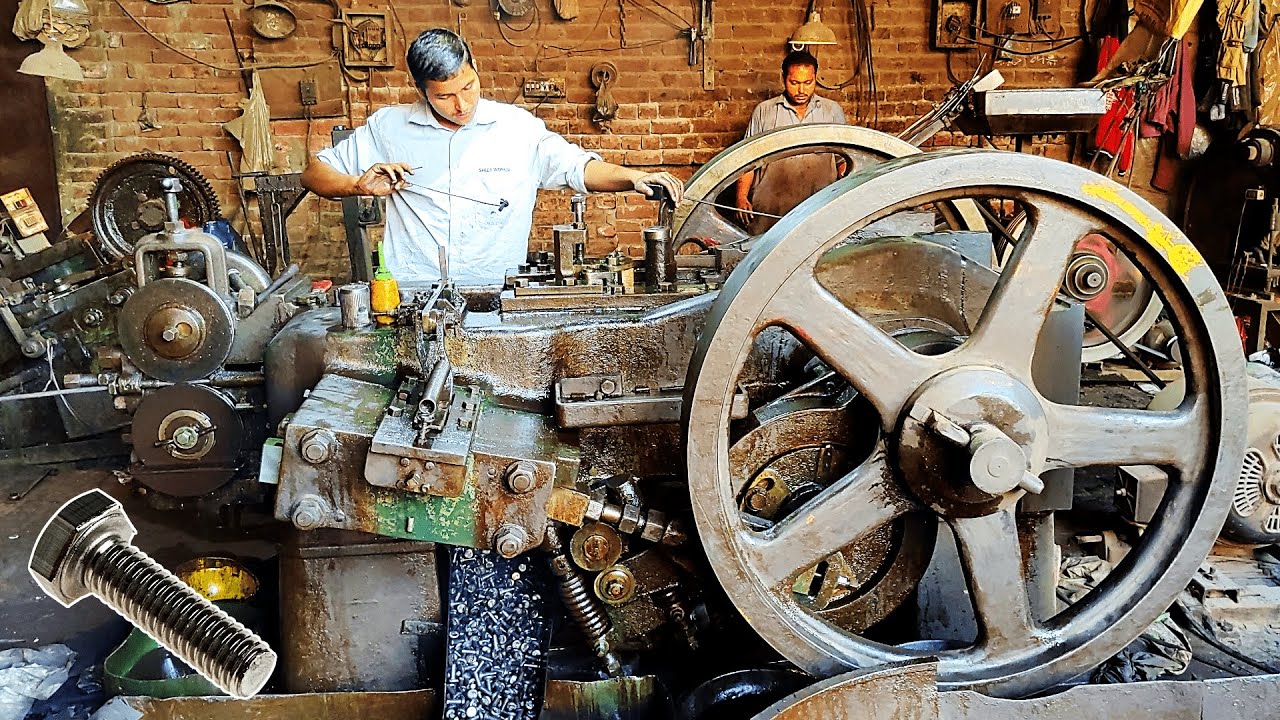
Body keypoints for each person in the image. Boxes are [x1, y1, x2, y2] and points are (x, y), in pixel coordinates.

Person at [302, 28, 684, 286]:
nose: (462, 104)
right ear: (421, 90)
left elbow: (576, 166)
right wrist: (356, 184)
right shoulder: (390, 127)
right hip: (414, 295)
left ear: (476, 69)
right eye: (444, 96)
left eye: (469, 86)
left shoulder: (516, 127)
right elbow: (314, 174)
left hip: (499, 293)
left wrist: (632, 178)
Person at [733, 50, 847, 235]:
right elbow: (748, 161)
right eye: (794, 83)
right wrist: (741, 197)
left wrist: (844, 190)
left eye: (808, 83)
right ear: (783, 78)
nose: (801, 90)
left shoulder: (832, 111)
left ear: (815, 78)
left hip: (818, 205)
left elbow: (844, 159)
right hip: (771, 208)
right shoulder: (765, 112)